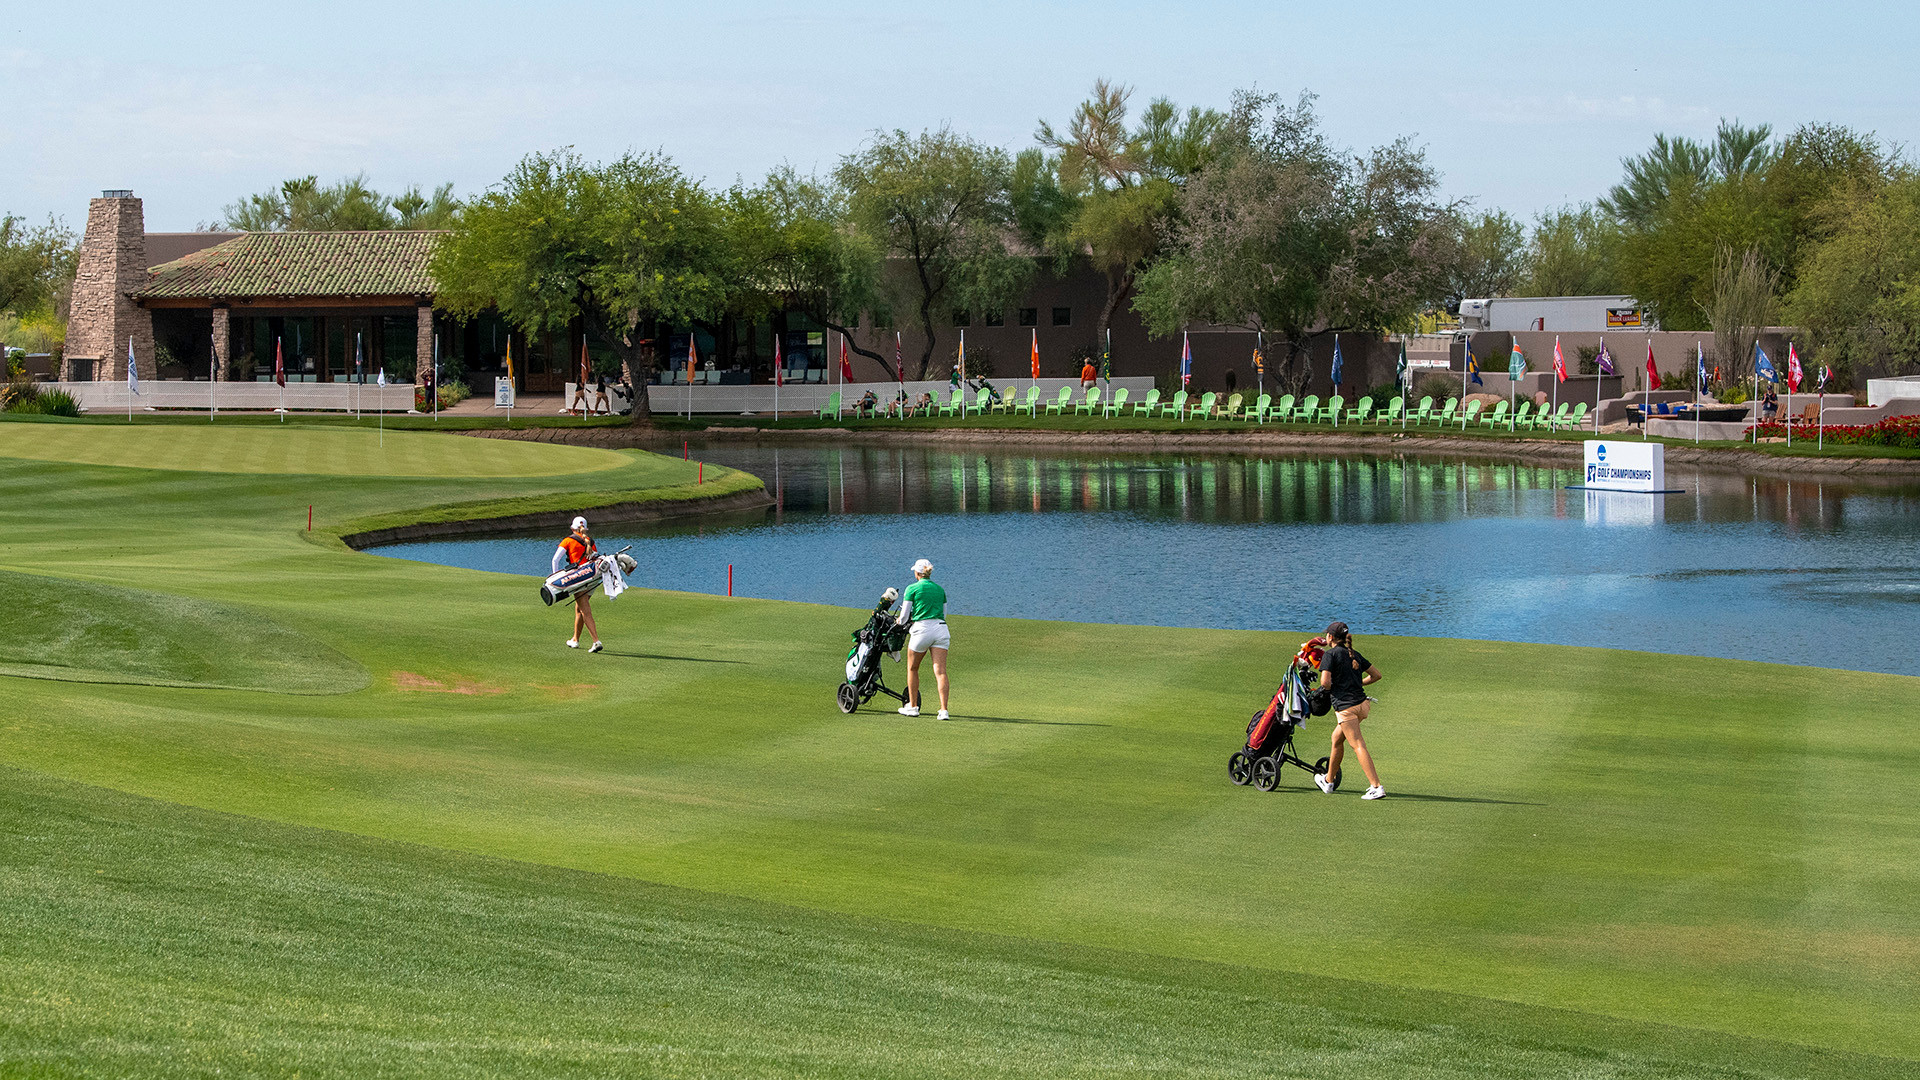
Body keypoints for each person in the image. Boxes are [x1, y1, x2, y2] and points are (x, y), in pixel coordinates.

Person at [1314, 621, 1384, 799]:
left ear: (1330, 637)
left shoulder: (1330, 655)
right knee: (1336, 739)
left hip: (1347, 709)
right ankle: (1328, 781)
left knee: (1358, 744)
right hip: (1362, 706)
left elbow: (1325, 683)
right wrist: (1357, 682)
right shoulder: (1354, 654)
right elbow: (1376, 675)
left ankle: (1376, 787)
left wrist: (1330, 689)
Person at [894, 558, 950, 719]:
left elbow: (904, 617)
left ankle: (912, 707)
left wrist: (899, 622)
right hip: (941, 630)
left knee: (913, 668)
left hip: (922, 630)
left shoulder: (912, 588)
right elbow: (944, 614)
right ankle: (943, 710)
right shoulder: (940, 589)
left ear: (918, 573)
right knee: (940, 672)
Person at [552, 516, 603, 653]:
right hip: (591, 580)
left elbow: (555, 560)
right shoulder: (590, 541)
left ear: (572, 528)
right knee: (579, 609)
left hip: (578, 579)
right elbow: (595, 558)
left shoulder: (568, 540)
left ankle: (596, 641)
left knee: (585, 610)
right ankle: (575, 639)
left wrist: (555, 579)